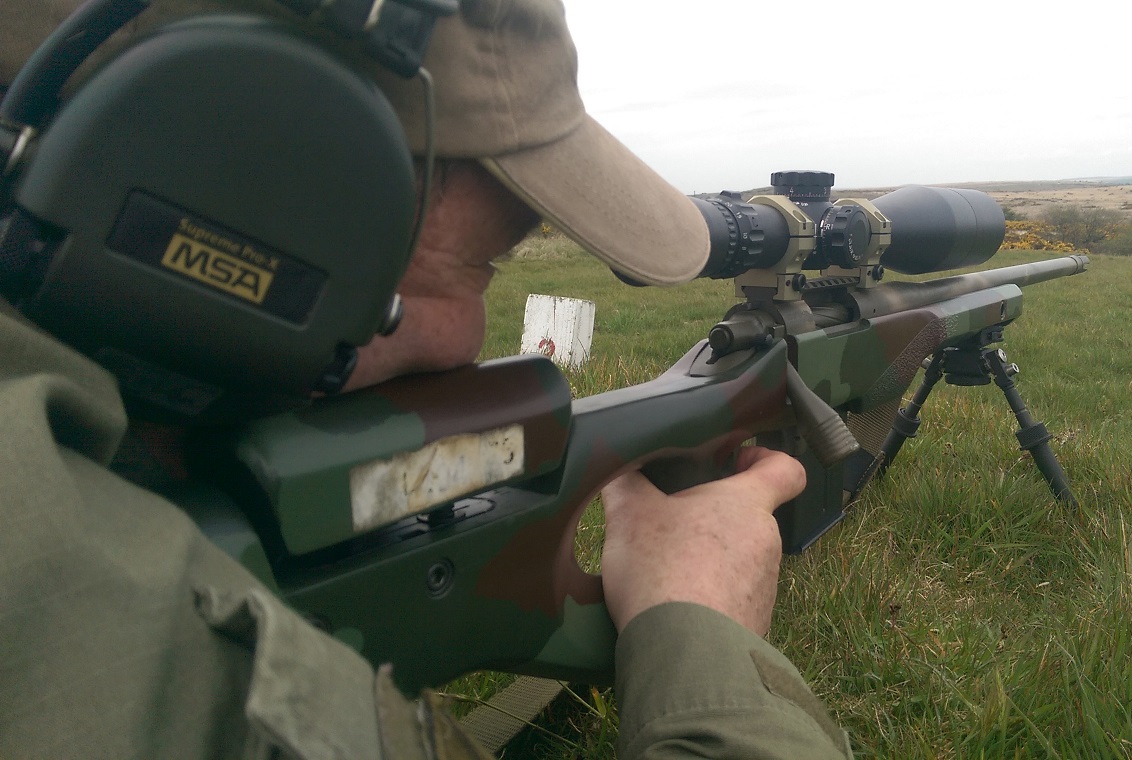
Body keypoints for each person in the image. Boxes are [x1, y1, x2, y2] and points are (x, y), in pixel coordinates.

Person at [0, 1, 853, 758]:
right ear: (228, 210)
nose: (475, 334)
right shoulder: (134, 657)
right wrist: (702, 636)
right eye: (480, 262)